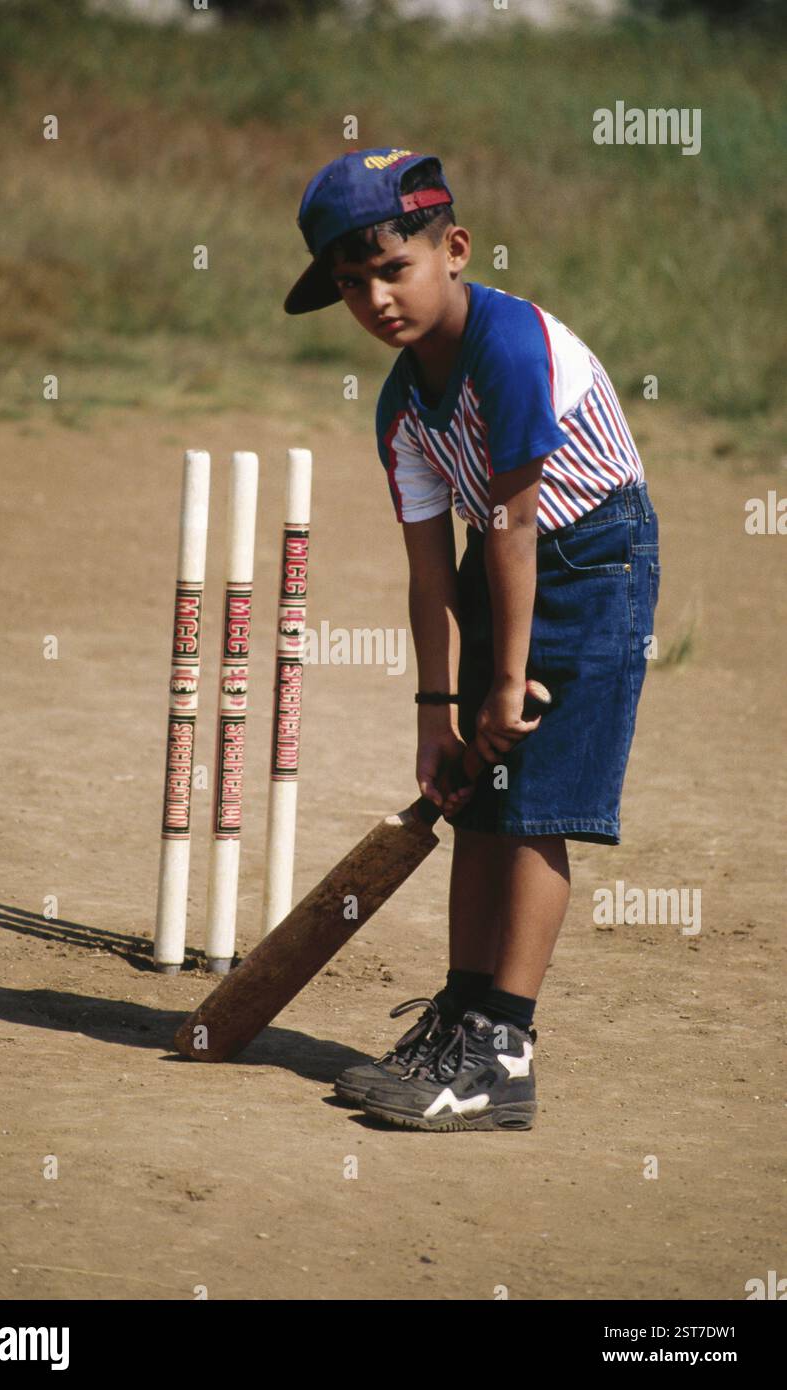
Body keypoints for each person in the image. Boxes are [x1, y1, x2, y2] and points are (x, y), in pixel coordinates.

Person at [284, 147, 661, 1132]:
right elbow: (426, 571)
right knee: (478, 803)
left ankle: (502, 1047)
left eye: (391, 267)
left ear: (451, 248)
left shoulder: (506, 346)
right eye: (349, 281)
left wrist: (503, 682)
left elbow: (512, 523)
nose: (373, 298)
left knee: (533, 806)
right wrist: (435, 717)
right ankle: (456, 1010)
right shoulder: (399, 403)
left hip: (592, 563)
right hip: (496, 575)